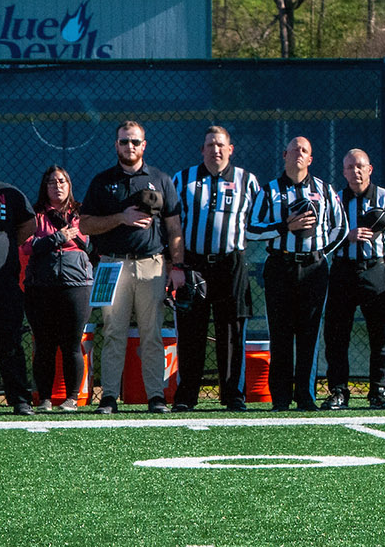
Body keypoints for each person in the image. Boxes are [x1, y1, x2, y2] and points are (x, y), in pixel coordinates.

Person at [79, 122, 184, 413]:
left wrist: (177, 266)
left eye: (135, 142)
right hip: (112, 264)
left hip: (152, 264)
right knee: (113, 332)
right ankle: (109, 396)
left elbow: (174, 226)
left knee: (152, 333)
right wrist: (120, 217)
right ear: (116, 145)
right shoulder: (102, 181)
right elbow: (85, 224)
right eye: (124, 142)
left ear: (144, 145)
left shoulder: (161, 180)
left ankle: (156, 395)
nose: (130, 147)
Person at [172, 126, 262, 412]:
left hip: (231, 262)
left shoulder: (247, 181)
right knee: (191, 331)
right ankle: (187, 395)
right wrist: (175, 265)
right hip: (194, 263)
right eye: (210, 145)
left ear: (231, 149)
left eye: (221, 145)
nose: (216, 150)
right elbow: (172, 224)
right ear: (202, 150)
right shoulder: (183, 179)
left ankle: (233, 394)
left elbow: (258, 222)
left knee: (232, 330)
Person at [253, 137, 346, 411]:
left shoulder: (325, 190)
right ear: (284, 154)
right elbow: (251, 228)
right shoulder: (269, 191)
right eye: (294, 149)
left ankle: (306, 396)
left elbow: (340, 228)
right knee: (280, 334)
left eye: (304, 150)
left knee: (309, 333)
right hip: (280, 266)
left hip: (314, 268)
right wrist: (285, 226)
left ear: (311, 158)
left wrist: (318, 251)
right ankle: (280, 397)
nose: (299, 154)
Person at [324, 149, 385, 410]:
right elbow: (323, 237)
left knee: (380, 333)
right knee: (337, 334)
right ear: (343, 171)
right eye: (350, 167)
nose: (355, 172)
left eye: (360, 166)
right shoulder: (334, 199)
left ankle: (378, 391)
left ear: (370, 169)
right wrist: (347, 236)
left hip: (375, 269)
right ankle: (338, 390)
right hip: (343, 270)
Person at [23, 166, 92, 411]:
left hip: (76, 286)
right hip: (40, 287)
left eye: (62, 181)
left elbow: (92, 243)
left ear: (69, 185)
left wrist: (77, 238)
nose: (58, 186)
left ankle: (72, 398)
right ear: (45, 187)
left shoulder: (81, 212)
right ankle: (44, 399)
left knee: (72, 343)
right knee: (44, 344)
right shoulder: (35, 214)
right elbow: (27, 245)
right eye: (52, 182)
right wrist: (57, 238)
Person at [0, 154, 37, 414]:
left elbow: (29, 223)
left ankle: (19, 399)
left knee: (9, 343)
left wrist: (9, 245)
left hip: (3, 282)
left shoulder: (9, 193)